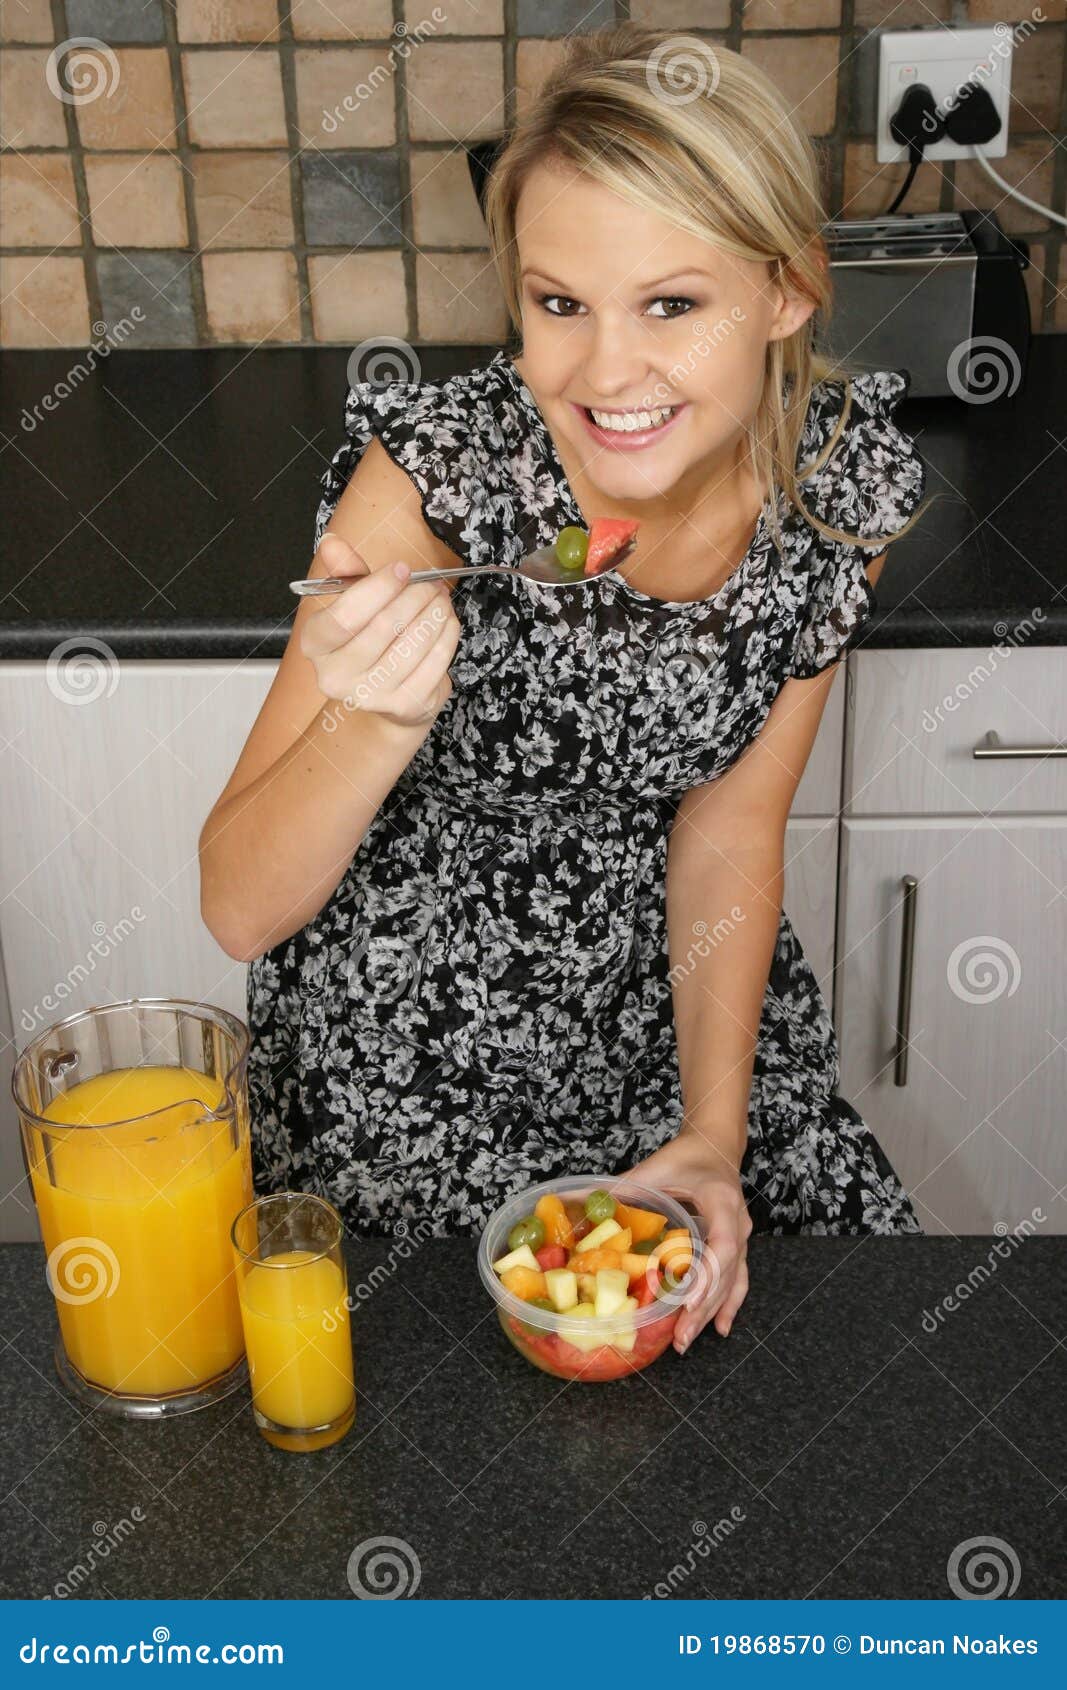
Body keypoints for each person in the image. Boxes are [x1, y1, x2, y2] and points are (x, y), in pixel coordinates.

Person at [199, 25, 927, 1356]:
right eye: (558, 304)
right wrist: (379, 714)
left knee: (841, 1374)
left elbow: (729, 821)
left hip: (673, 1010)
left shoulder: (839, 492)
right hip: (413, 1045)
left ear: (787, 292)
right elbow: (240, 903)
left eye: (672, 304)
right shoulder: (434, 485)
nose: (603, 375)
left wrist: (711, 1132)